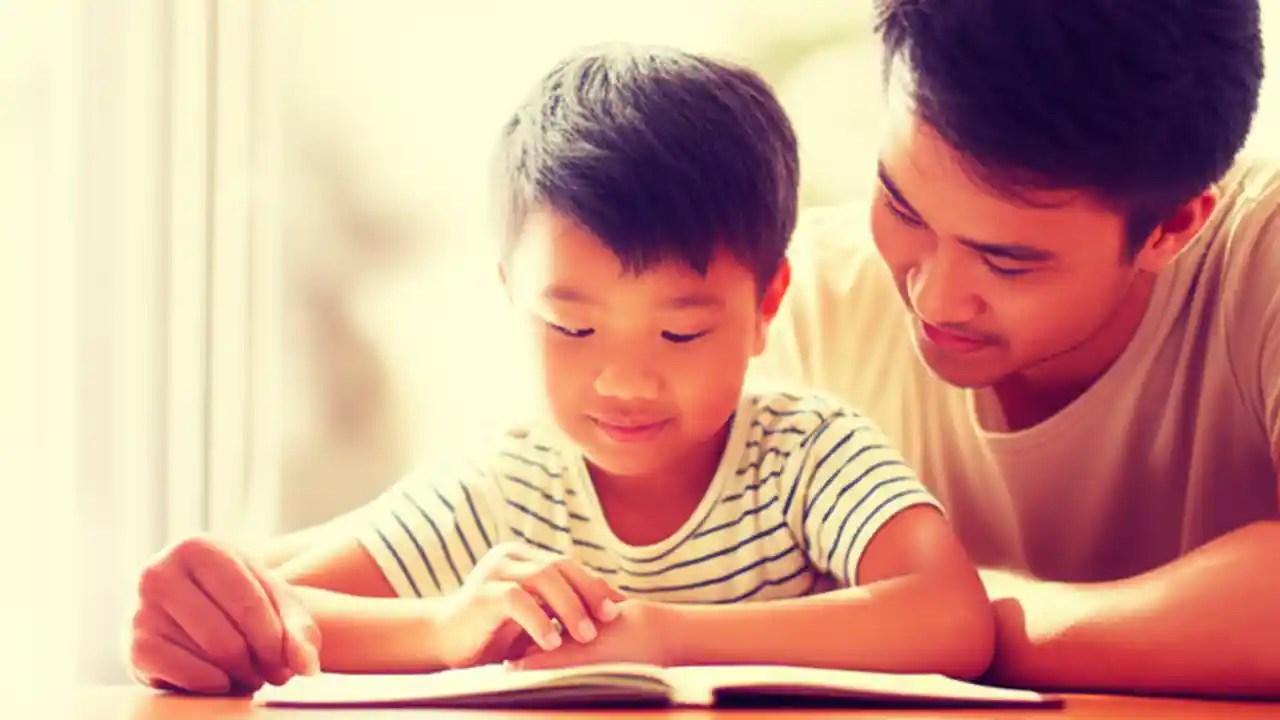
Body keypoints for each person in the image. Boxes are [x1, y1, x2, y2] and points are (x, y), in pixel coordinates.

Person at [127, 44, 994, 695]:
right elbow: (275, 605)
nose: (625, 382)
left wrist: (668, 635)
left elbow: (953, 619)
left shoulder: (806, 454)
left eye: (682, 336)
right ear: (512, 295)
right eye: (572, 328)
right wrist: (445, 624)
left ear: (769, 305)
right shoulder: (507, 484)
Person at [751, 0, 1278, 698]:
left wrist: (947, 625)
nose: (934, 299)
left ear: (1171, 227)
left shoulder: (1258, 258)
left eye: (1007, 262)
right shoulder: (799, 307)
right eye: (901, 207)